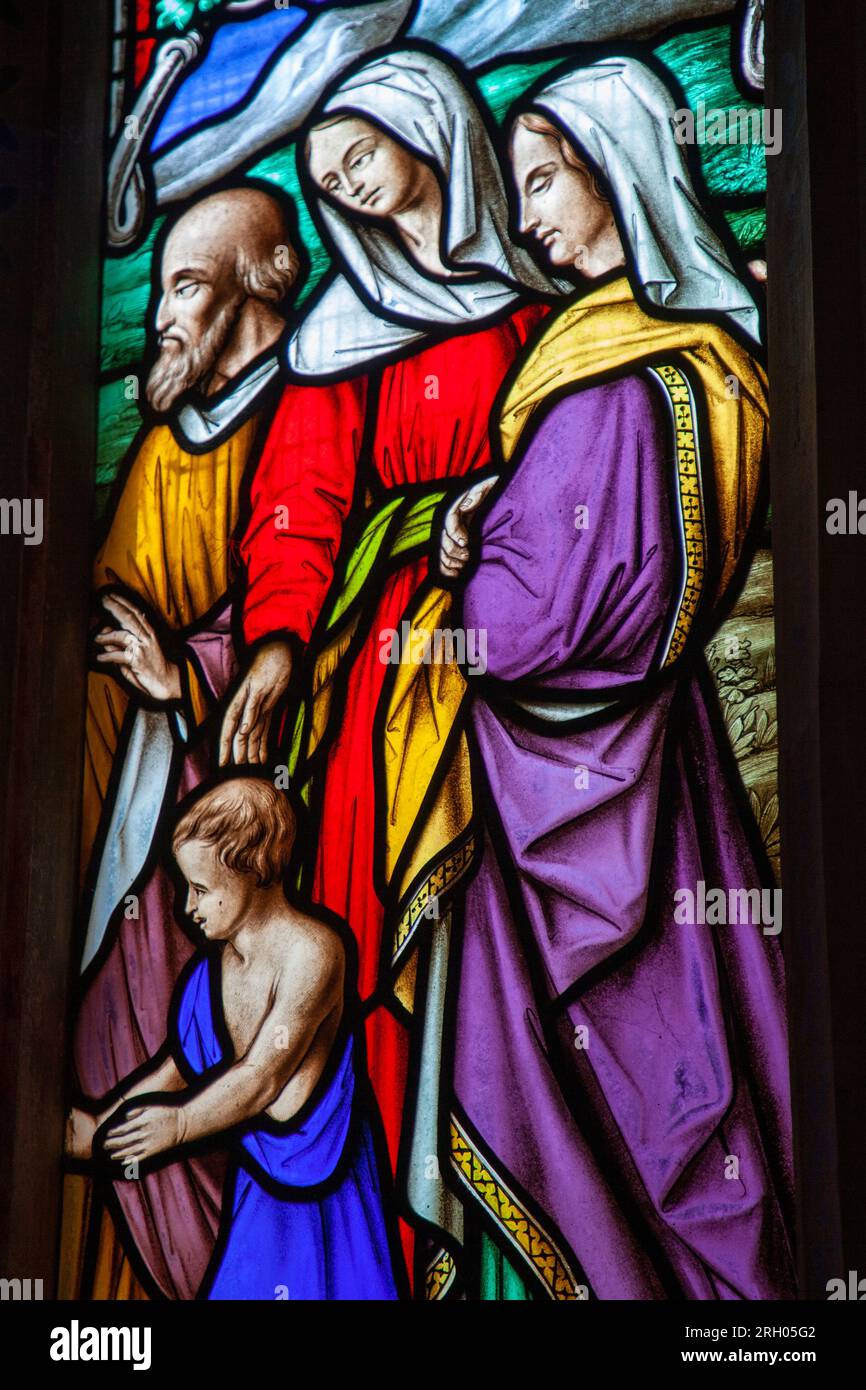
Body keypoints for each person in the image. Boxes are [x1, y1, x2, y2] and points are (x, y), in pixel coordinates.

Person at [387, 56, 795, 1299]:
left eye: (546, 180)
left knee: (653, 1105)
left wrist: (456, 569)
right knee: (703, 1071)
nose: (531, 219)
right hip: (653, 778)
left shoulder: (612, 384)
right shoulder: (695, 359)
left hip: (580, 807)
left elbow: (525, 620)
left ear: (617, 168)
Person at [251, 47, 561, 1283]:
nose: (351, 188)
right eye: (327, 179)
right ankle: (399, 1243)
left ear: (429, 128)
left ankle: (528, 1226)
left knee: (517, 960)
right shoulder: (342, 340)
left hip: (528, 680)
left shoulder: (546, 307)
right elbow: (299, 501)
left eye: (360, 153)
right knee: (401, 957)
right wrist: (278, 640)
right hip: (385, 692)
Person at [64, 186, 367, 1300]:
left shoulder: (308, 406)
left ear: (264, 279)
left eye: (186, 284)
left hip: (212, 820)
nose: (163, 317)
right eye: (160, 290)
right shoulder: (161, 439)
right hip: (123, 818)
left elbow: (297, 638)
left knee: (155, 1057)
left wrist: (182, 681)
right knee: (110, 1041)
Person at [66, 778, 399, 1301]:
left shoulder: (313, 952)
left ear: (252, 869)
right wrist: (104, 1127)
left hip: (327, 1196)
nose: (186, 907)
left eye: (201, 889)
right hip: (259, 1192)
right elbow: (179, 1066)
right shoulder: (210, 972)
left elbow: (262, 1079)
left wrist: (179, 1124)